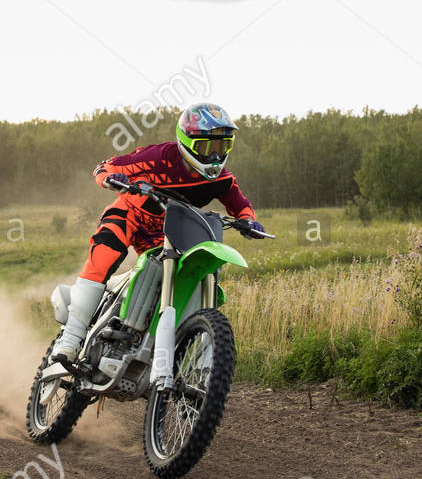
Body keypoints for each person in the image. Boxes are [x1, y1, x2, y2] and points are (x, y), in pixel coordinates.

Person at [52, 103, 266, 362]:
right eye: (206, 148)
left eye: (221, 148)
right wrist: (111, 179)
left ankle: (151, 344)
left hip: (167, 231)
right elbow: (106, 166)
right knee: (103, 259)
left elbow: (240, 204)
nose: (214, 156)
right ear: (186, 142)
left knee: (180, 276)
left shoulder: (221, 179)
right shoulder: (158, 157)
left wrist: (248, 221)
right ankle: (71, 339)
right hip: (130, 216)